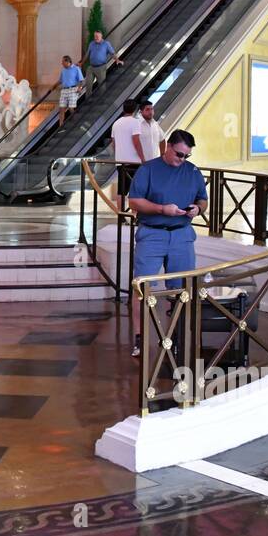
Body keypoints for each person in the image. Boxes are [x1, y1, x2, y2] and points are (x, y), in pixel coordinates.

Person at [127, 129, 208, 358]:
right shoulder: (148, 170)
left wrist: (198, 209)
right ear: (167, 147)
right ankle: (140, 338)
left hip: (182, 234)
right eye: (179, 154)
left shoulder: (192, 172)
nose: (182, 160)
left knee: (182, 288)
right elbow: (134, 201)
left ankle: (177, 335)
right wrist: (162, 209)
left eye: (186, 156)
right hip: (152, 234)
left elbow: (203, 199)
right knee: (141, 287)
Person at [110, 99, 144, 206]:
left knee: (122, 190)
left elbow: (113, 143)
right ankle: (135, 214)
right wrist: (142, 158)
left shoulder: (116, 123)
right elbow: (136, 141)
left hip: (120, 161)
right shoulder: (135, 122)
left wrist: (118, 154)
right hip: (133, 161)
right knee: (136, 189)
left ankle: (121, 216)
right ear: (135, 109)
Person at [57, 55, 83, 127]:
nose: (62, 63)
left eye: (63, 62)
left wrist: (79, 87)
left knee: (71, 108)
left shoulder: (76, 68)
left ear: (67, 61)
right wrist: (53, 86)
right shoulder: (63, 70)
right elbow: (60, 81)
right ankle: (61, 125)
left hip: (73, 89)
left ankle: (76, 123)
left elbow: (81, 80)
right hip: (64, 90)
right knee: (61, 108)